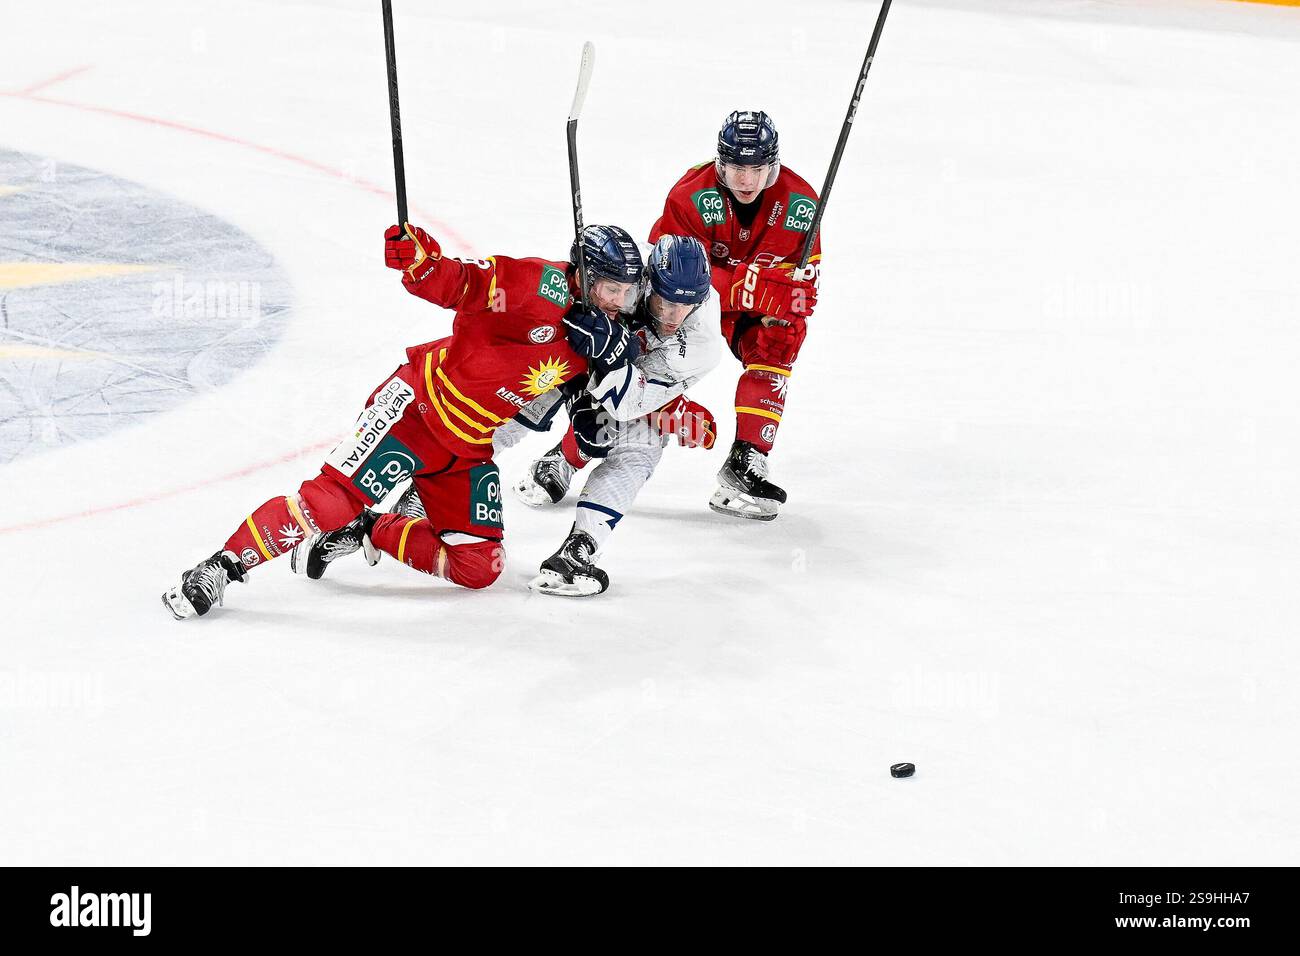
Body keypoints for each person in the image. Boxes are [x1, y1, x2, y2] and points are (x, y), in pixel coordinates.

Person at [161, 222, 644, 619]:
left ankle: (370, 528)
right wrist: (421, 262)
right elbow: (463, 283)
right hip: (416, 408)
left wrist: (598, 393)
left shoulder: (608, 334)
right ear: (582, 276)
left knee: (479, 566)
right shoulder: (536, 286)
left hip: (466, 447)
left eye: (627, 292)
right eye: (611, 289)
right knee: (328, 503)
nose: (619, 302)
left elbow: (592, 417)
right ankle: (220, 567)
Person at [505, 234, 721, 596]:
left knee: (641, 442)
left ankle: (580, 548)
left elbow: (629, 402)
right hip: (583, 356)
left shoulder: (701, 345)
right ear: (648, 281)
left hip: (639, 381)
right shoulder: (631, 273)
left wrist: (614, 355)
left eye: (682, 309)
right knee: (534, 382)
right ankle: (448, 472)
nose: (671, 316)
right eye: (663, 302)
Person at [649, 110, 820, 520]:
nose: (747, 180)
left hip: (748, 313)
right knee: (640, 375)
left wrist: (790, 301)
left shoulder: (802, 203)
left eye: (757, 169)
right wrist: (749, 286)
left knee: (785, 333)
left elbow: (805, 289)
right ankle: (567, 455)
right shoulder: (689, 195)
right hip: (686, 307)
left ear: (772, 166)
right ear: (720, 164)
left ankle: (747, 457)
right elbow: (672, 278)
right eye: (737, 168)